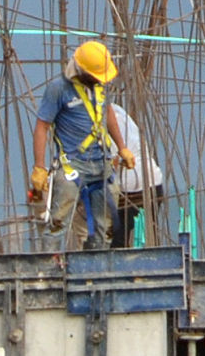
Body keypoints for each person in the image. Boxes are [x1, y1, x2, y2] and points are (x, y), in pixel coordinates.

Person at [31, 39, 134, 251]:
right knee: (57, 222)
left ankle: (98, 264)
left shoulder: (100, 88)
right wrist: (39, 167)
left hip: (101, 163)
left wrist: (122, 147)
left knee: (105, 227)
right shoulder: (59, 90)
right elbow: (42, 126)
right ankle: (50, 264)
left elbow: (108, 114)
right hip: (72, 165)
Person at [106, 104, 150, 248]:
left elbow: (112, 161)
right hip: (151, 183)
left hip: (133, 189)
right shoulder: (118, 112)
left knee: (115, 243)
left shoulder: (111, 121)